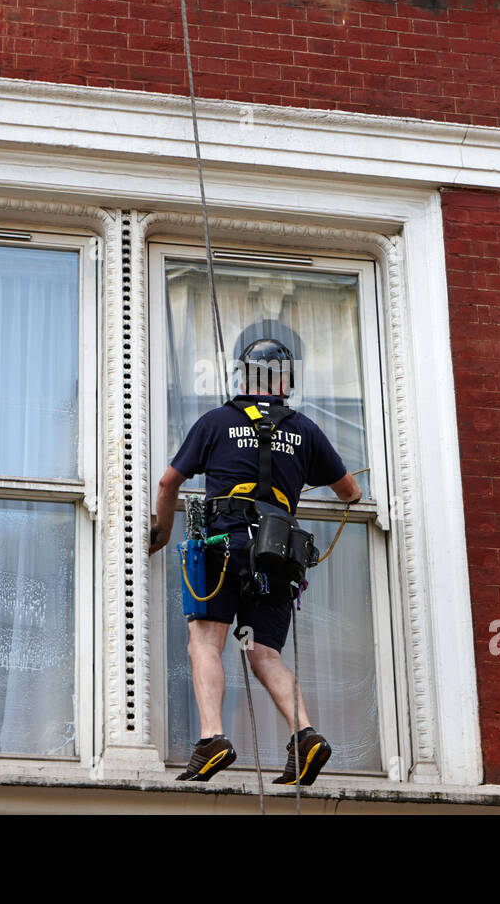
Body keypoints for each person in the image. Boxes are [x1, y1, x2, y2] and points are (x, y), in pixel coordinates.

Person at [149, 336, 362, 786]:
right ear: (287, 382)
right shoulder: (306, 430)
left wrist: (161, 534)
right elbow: (351, 493)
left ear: (242, 378)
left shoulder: (216, 422)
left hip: (223, 545)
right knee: (262, 651)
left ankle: (212, 739)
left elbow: (169, 483)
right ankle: (304, 734)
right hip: (276, 554)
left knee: (206, 643)